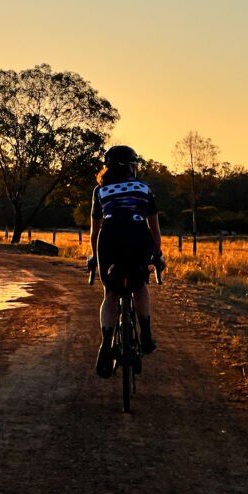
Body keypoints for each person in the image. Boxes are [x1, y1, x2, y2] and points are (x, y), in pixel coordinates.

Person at [89, 145, 165, 379]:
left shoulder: (100, 190)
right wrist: (158, 253)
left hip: (109, 238)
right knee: (140, 285)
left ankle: (106, 343)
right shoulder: (144, 188)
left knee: (110, 292)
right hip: (136, 236)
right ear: (132, 166)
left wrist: (94, 256)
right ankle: (146, 334)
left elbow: (94, 231)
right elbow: (154, 228)